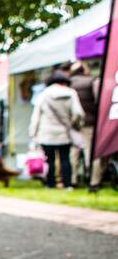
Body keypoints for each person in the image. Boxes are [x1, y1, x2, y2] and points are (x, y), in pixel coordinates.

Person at [30, 70, 85, 189]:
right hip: (64, 132)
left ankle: (50, 184)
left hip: (46, 133)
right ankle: (68, 184)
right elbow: (78, 113)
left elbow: (36, 116)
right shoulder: (71, 93)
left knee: (50, 160)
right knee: (65, 159)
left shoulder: (44, 94)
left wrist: (33, 132)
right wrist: (73, 124)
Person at [68, 61, 101, 192]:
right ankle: (93, 181)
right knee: (91, 153)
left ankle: (73, 180)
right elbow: (98, 100)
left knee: (73, 153)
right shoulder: (92, 81)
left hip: (73, 124)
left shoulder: (69, 83)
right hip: (90, 122)